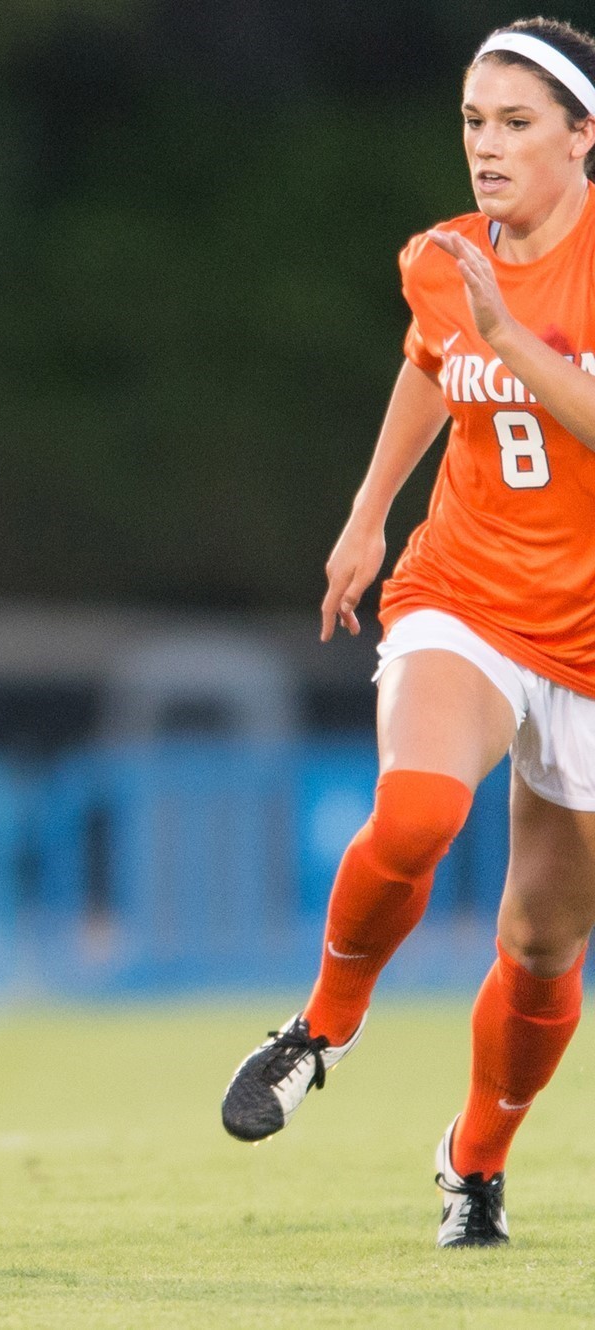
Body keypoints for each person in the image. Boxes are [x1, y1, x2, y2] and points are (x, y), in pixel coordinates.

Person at [220, 17, 595, 1248]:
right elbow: (431, 363)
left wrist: (510, 341)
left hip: (586, 642)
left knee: (540, 948)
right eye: (472, 124)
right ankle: (318, 1029)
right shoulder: (442, 258)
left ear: (581, 138)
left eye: (515, 123)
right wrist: (366, 513)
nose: (485, 148)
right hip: (465, 589)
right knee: (418, 810)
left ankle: (471, 1161)